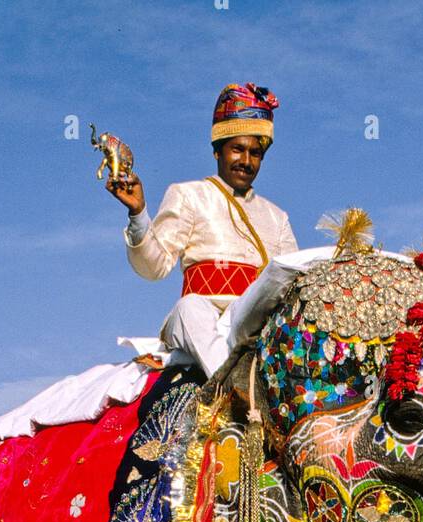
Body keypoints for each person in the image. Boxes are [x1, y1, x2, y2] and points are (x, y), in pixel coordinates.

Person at [108, 82, 298, 378]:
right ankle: (229, 388)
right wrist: (137, 213)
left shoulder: (277, 218)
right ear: (217, 152)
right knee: (191, 307)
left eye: (255, 153)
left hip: (253, 329)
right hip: (198, 323)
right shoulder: (189, 195)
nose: (246, 161)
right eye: (237, 149)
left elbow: (294, 285)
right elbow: (153, 267)